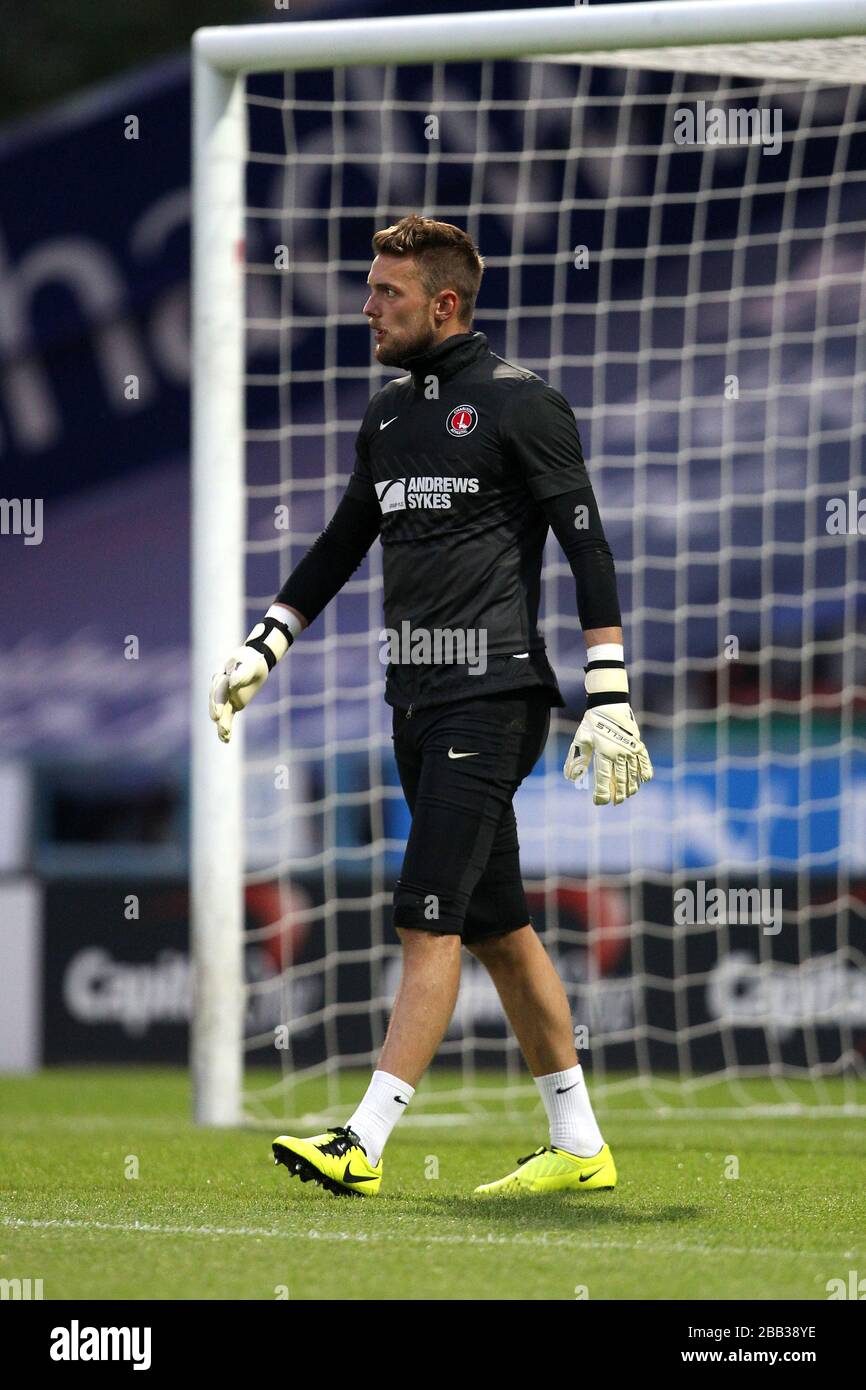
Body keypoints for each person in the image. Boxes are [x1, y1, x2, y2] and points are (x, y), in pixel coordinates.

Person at [209, 213, 652, 1198]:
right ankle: (578, 1144)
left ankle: (361, 1141)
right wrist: (264, 642)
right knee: (499, 925)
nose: (366, 306)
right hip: (412, 699)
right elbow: (336, 545)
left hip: (492, 694)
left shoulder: (520, 406)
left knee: (426, 917)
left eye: (385, 293)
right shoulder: (386, 416)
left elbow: (586, 545)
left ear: (442, 302)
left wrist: (609, 693)